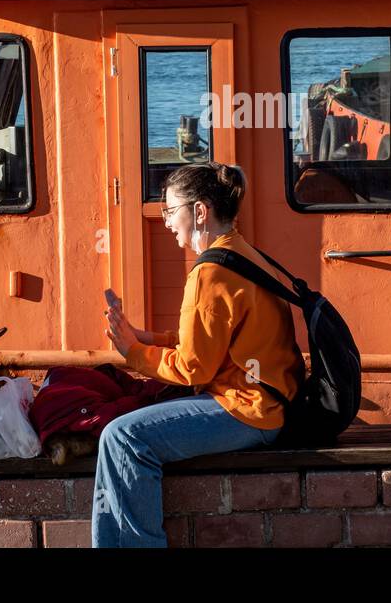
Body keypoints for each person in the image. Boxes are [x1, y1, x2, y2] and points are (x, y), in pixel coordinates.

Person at [96, 162, 306, 547]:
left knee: (122, 437)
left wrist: (133, 353)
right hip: (270, 402)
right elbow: (211, 341)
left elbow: (194, 367)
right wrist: (144, 337)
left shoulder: (209, 273)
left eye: (170, 211)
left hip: (247, 409)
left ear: (199, 211)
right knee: (120, 435)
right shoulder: (242, 254)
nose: (167, 222)